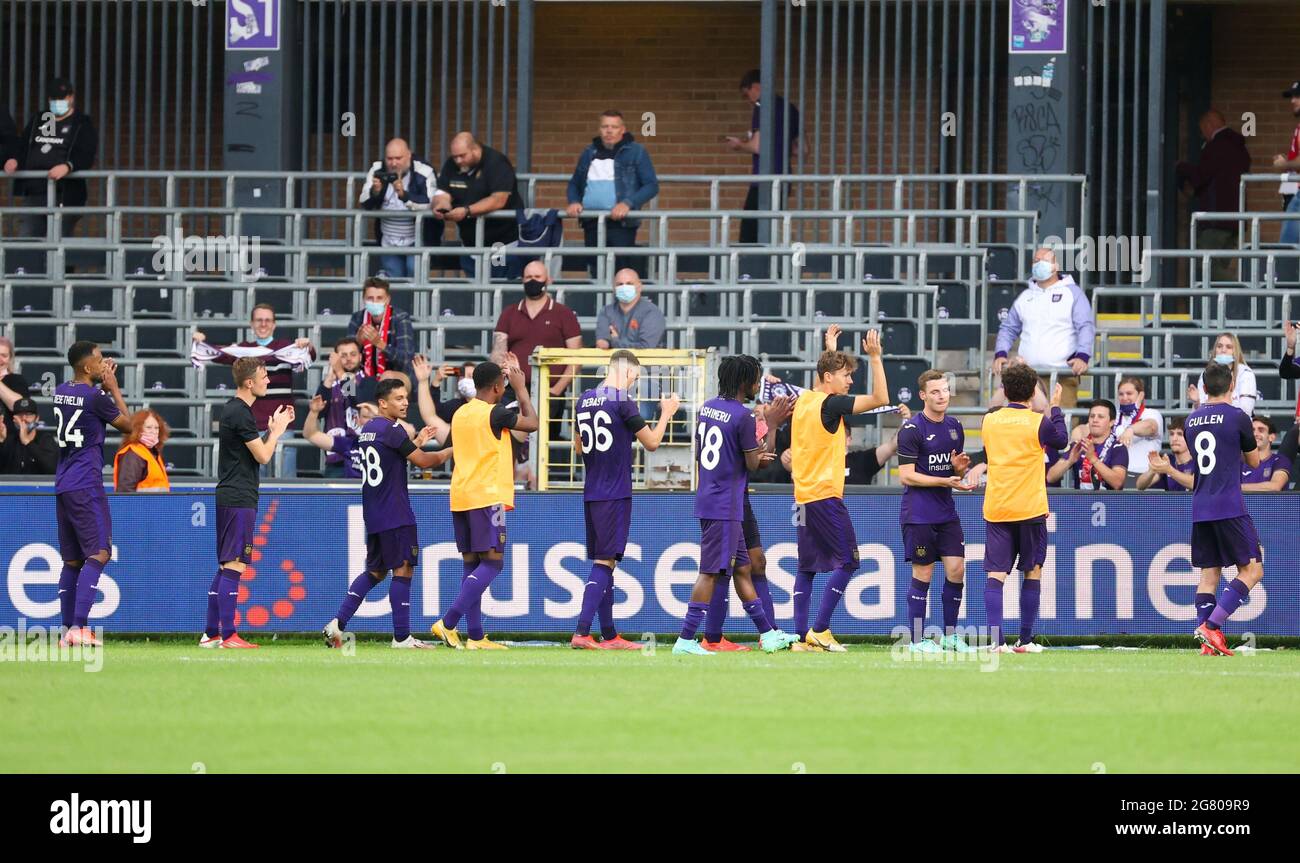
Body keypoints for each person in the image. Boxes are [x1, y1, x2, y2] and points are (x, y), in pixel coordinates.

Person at [672, 355, 800, 656]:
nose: (758, 384)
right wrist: (769, 426)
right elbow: (755, 462)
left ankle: (768, 634)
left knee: (742, 568)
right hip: (725, 504)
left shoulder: (708, 408)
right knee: (710, 572)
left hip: (711, 495)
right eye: (756, 379)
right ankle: (686, 639)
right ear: (745, 381)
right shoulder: (742, 416)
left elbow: (704, 454)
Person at [322, 379, 451, 650]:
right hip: (396, 511)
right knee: (402, 569)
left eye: (406, 398)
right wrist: (453, 450)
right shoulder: (392, 428)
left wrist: (416, 441)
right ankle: (402, 637)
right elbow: (424, 461)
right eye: (399, 398)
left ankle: (337, 624)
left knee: (376, 571)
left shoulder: (370, 429)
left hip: (375, 512)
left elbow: (390, 458)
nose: (405, 403)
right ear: (383, 403)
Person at [568, 350, 681, 649]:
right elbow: (653, 443)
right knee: (605, 561)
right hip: (614, 491)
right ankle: (581, 632)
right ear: (628, 372)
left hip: (592, 490)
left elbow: (578, 448)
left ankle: (609, 634)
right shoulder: (622, 401)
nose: (634, 383)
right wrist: (667, 411)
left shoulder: (583, 400)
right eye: (636, 377)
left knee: (606, 561)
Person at [789, 329, 891, 652]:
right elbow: (881, 400)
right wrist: (875, 357)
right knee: (847, 562)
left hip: (802, 498)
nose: (850, 382)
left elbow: (823, 375)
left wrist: (830, 351)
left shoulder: (805, 399)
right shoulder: (831, 405)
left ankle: (801, 637)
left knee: (806, 568)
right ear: (829, 377)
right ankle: (820, 630)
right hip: (824, 497)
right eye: (846, 376)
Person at [428, 356, 539, 650]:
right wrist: (522, 389)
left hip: (461, 496)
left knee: (472, 564)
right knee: (493, 563)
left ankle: (475, 636)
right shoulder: (495, 413)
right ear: (497, 387)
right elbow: (533, 424)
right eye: (503, 385)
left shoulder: (461, 413)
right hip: (488, 496)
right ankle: (448, 622)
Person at [202, 358, 295, 650]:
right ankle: (228, 635)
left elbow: (254, 451)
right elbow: (264, 457)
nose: (269, 381)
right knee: (235, 564)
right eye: (265, 376)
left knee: (227, 565)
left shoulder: (237, 411)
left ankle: (211, 634)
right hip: (238, 497)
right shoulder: (239, 413)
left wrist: (269, 433)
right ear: (249, 383)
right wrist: (277, 431)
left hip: (233, 495)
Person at [980, 363, 1068, 653]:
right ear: (1033, 391)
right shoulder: (1037, 422)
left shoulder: (989, 420)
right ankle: (1025, 640)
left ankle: (997, 642)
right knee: (1032, 571)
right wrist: (1055, 407)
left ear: (1004, 390)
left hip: (998, 506)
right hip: (1029, 508)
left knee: (996, 575)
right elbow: (1061, 441)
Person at [51, 341, 131, 648]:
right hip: (86, 482)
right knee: (99, 553)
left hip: (64, 480)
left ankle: (67, 630)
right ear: (87, 367)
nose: (104, 364)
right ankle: (80, 627)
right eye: (99, 360)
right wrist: (113, 387)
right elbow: (127, 426)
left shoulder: (60, 390)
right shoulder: (95, 397)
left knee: (72, 560)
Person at [1187, 360, 1266, 657]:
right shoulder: (1237, 417)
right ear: (1232, 385)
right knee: (1253, 569)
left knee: (1210, 574)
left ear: (1204, 387)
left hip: (1200, 505)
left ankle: (1207, 644)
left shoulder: (1191, 420)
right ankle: (1212, 626)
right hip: (1229, 505)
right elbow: (1254, 462)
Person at [897, 370, 974, 653]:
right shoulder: (911, 430)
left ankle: (951, 636)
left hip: (946, 512)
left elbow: (954, 468)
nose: (942, 396)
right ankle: (917, 640)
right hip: (918, 514)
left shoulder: (955, 426)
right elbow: (906, 476)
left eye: (944, 391)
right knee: (924, 573)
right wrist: (945, 479)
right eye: (935, 392)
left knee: (957, 569)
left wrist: (959, 470)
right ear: (923, 396)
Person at [193, 303, 315, 477]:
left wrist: (307, 346)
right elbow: (220, 355)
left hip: (282, 428)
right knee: (257, 483)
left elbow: (310, 357)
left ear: (274, 324)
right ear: (251, 324)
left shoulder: (286, 347)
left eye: (267, 320)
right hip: (253, 427)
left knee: (287, 486)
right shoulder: (244, 350)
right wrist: (201, 343)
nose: (263, 324)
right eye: (259, 320)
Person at [993, 247, 1094, 408]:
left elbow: (1085, 326)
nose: (1039, 264)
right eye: (1036, 261)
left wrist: (1083, 355)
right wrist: (1000, 353)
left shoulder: (1073, 293)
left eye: (1045, 260)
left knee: (1059, 424)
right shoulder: (1025, 296)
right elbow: (1008, 328)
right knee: (1025, 428)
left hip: (1062, 375)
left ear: (1056, 266)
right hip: (1026, 376)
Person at [492, 260, 583, 434]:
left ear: (548, 280)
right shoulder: (509, 313)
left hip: (550, 391)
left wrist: (556, 390)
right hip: (513, 391)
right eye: (528, 277)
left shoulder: (563, 314)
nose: (533, 281)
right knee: (510, 441)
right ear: (522, 280)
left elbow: (576, 357)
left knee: (545, 441)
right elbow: (498, 353)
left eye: (537, 276)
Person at [566, 110, 659, 277]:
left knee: (621, 271)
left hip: (622, 223)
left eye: (614, 127)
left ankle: (621, 303)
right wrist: (574, 201)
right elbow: (574, 183)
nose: (609, 131)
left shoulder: (637, 151)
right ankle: (600, 304)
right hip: (592, 221)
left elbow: (651, 186)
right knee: (595, 270)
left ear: (622, 130)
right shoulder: (589, 152)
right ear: (599, 129)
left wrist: (627, 203)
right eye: (605, 126)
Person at [13, 78, 98, 241]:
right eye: (54, 99)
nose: (58, 102)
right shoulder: (41, 119)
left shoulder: (81, 123)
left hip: (64, 194)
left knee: (59, 241)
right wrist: (14, 159)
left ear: (71, 98)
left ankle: (62, 268)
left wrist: (67, 166)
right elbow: (24, 146)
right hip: (35, 192)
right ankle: (29, 268)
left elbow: (86, 154)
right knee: (27, 239)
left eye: (62, 98)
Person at [432, 132, 525, 278]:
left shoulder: (496, 162)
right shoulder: (451, 164)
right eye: (455, 156)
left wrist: (467, 211)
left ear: (475, 149)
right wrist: (441, 205)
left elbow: (499, 199)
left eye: (462, 156)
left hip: (500, 243)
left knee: (498, 284)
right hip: (470, 243)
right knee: (475, 289)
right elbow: (442, 193)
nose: (458, 160)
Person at [1174, 110, 1252, 281]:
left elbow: (1201, 175)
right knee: (1216, 268)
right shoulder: (1239, 147)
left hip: (1217, 220)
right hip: (1235, 220)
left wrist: (1181, 167)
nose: (1203, 135)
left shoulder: (1216, 146)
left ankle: (1243, 292)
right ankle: (1233, 299)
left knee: (1203, 266)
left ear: (1209, 124)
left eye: (1202, 130)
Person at [727, 69, 800, 246]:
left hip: (763, 180)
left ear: (756, 86)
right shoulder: (790, 108)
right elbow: (801, 149)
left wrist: (740, 145)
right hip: (783, 179)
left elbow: (757, 146)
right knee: (771, 232)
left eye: (747, 94)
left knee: (749, 235)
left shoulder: (762, 107)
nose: (749, 101)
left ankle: (749, 273)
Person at [358, 138, 439, 279]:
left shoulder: (424, 171)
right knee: (393, 281)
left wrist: (404, 195)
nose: (393, 163)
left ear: (409, 155)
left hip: (418, 240)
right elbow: (364, 201)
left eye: (398, 158)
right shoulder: (377, 169)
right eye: (389, 158)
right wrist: (375, 192)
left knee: (415, 275)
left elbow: (430, 204)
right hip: (389, 240)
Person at [314, 337, 367, 478]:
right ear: (335, 358)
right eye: (343, 355)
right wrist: (329, 379)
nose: (349, 359)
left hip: (362, 459)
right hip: (335, 458)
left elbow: (358, 402)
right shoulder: (328, 384)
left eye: (353, 354)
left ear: (361, 357)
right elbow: (318, 413)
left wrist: (341, 373)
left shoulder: (369, 381)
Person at [1053, 399, 1129, 491]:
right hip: (1081, 503)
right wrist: (1069, 461)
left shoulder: (1118, 447)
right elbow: (1050, 477)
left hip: (1109, 503)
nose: (1095, 420)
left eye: (1100, 417)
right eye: (1092, 416)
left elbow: (1118, 483)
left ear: (1111, 422)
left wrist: (1093, 459)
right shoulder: (1078, 445)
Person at [347, 277, 415, 377]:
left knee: (388, 376)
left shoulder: (400, 318)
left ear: (387, 300)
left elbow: (405, 360)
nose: (374, 302)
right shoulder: (357, 318)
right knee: (341, 371)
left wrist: (380, 344)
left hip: (395, 378)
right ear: (364, 300)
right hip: (363, 378)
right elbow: (346, 360)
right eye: (370, 298)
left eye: (379, 298)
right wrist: (357, 344)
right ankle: (333, 391)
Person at [593, 270, 666, 351]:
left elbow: (646, 347)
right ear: (614, 288)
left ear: (639, 287)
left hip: (646, 363)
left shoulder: (651, 312)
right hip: (613, 362)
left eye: (629, 283)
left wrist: (615, 342)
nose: (624, 287)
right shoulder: (606, 311)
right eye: (620, 284)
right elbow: (602, 344)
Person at [1189, 332, 1257, 416]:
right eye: (1219, 346)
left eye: (1229, 347)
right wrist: (1197, 402)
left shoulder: (1245, 373)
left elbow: (1246, 410)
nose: (1223, 350)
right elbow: (1199, 411)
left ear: (1235, 351)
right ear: (1215, 350)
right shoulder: (1206, 372)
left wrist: (1215, 406)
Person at [1113, 377, 1163, 485]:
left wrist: (1130, 429)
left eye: (1129, 393)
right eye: (1121, 394)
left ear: (1141, 395)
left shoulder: (1151, 413)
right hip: (1119, 476)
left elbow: (1151, 426)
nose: (1124, 397)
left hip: (1146, 476)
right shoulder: (1115, 417)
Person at [112, 409, 170, 492]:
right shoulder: (132, 454)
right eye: (148, 427)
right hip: (141, 504)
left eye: (156, 428)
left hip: (156, 504)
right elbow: (125, 491)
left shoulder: (152, 452)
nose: (154, 431)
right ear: (137, 429)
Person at [0, 396, 58, 475]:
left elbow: (53, 469)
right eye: (20, 415)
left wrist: (27, 442)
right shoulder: (9, 440)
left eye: (29, 414)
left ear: (37, 418)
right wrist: (1, 443)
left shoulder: (46, 440)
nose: (24, 419)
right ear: (14, 419)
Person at [1273, 81, 1300, 246]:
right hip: (1294, 195)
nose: (1292, 100)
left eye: (1298, 96)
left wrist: (1284, 164)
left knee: (1286, 256)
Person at [1136, 418, 1195, 492]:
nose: (1174, 438)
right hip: (1171, 503)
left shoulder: (1199, 461)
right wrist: (1152, 470)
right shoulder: (1167, 461)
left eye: (1180, 434)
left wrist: (1169, 470)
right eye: (1171, 434)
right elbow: (1140, 486)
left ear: (1190, 437)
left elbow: (1194, 483)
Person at [1240, 415, 1291, 492]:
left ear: (1271, 437)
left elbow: (1275, 486)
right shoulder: (1239, 462)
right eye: (1252, 430)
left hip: (1270, 504)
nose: (1255, 434)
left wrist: (1236, 487)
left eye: (1261, 430)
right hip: (1240, 504)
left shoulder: (1280, 461)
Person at [0, 336, 33, 441]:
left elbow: (19, 406)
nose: (0, 360)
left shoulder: (16, 380)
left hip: (8, 442)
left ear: (10, 358)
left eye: (4, 356)